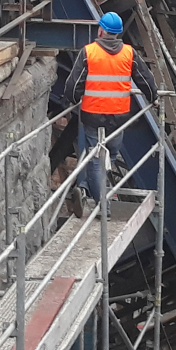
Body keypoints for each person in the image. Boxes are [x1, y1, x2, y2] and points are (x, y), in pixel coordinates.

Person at [64, 12, 158, 209]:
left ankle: (100, 205)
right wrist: (153, 97)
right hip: (118, 116)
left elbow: (73, 85)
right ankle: (88, 187)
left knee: (96, 158)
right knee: (111, 154)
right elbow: (145, 79)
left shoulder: (89, 52)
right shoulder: (129, 54)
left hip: (93, 115)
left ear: (101, 30)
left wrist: (71, 101)